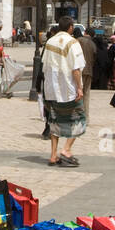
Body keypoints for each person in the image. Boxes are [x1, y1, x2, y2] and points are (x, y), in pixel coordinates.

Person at [42, 17, 86, 166]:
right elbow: (76, 68)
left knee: (54, 121)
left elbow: (44, 66)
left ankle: (53, 155)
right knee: (78, 118)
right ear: (71, 27)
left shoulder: (49, 42)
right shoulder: (73, 43)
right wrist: (79, 87)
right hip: (68, 89)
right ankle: (66, 149)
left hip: (52, 90)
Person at [73, 25, 96, 117]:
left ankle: (77, 115)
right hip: (89, 71)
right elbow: (94, 57)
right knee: (86, 95)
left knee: (77, 93)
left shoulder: (77, 41)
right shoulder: (92, 44)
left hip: (79, 71)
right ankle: (86, 117)